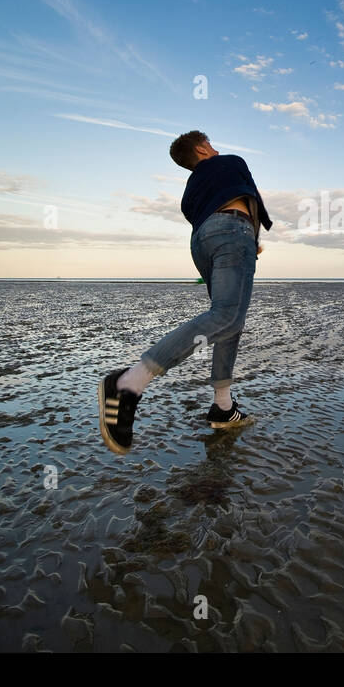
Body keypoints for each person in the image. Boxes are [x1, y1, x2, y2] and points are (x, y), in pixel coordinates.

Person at [98, 131, 272, 454]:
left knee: (227, 321)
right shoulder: (232, 162)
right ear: (202, 149)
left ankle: (223, 406)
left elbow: (200, 217)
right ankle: (127, 383)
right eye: (212, 145)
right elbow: (251, 197)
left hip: (201, 242)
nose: (216, 149)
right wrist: (252, 235)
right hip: (234, 230)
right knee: (227, 316)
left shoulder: (191, 189)